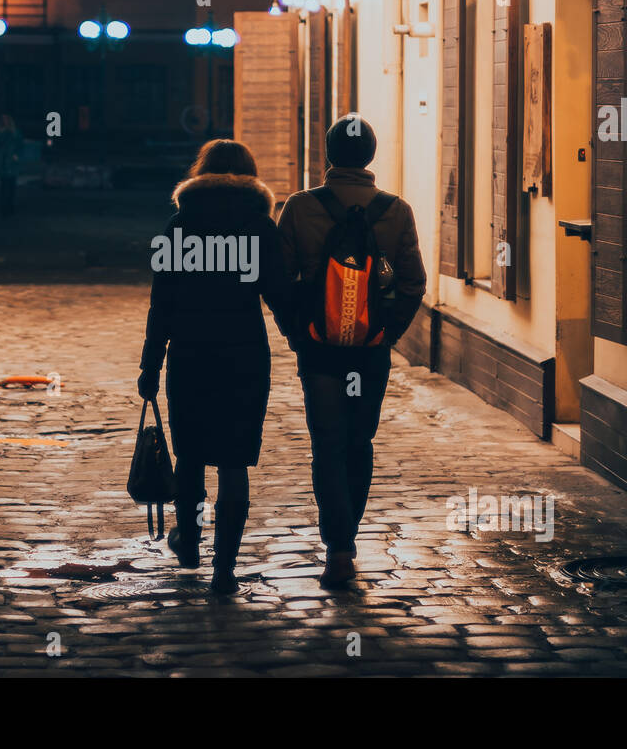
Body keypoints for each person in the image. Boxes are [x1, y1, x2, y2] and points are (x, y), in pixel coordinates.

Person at [277, 114, 426, 588]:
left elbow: (278, 283)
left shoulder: (300, 208)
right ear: (371, 156)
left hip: (319, 352)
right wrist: (386, 334)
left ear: (328, 154)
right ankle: (348, 540)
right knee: (359, 444)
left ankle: (337, 548)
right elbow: (413, 283)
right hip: (370, 353)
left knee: (327, 444)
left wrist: (297, 332)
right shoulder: (396, 210)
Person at [138, 139, 293, 594]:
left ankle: (188, 545)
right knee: (233, 461)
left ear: (200, 175)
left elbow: (161, 305)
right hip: (243, 355)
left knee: (190, 457)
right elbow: (280, 296)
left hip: (190, 356)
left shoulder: (177, 227)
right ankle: (224, 570)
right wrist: (307, 342)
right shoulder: (260, 228)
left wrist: (150, 365)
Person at [0, 113, 23, 218]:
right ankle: (4, 208)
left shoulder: (15, 132)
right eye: (3, 119)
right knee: (4, 186)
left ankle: (10, 207)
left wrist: (17, 155)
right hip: (3, 161)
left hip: (12, 161)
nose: (4, 121)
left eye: (6, 119)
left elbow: (20, 145)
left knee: (11, 186)